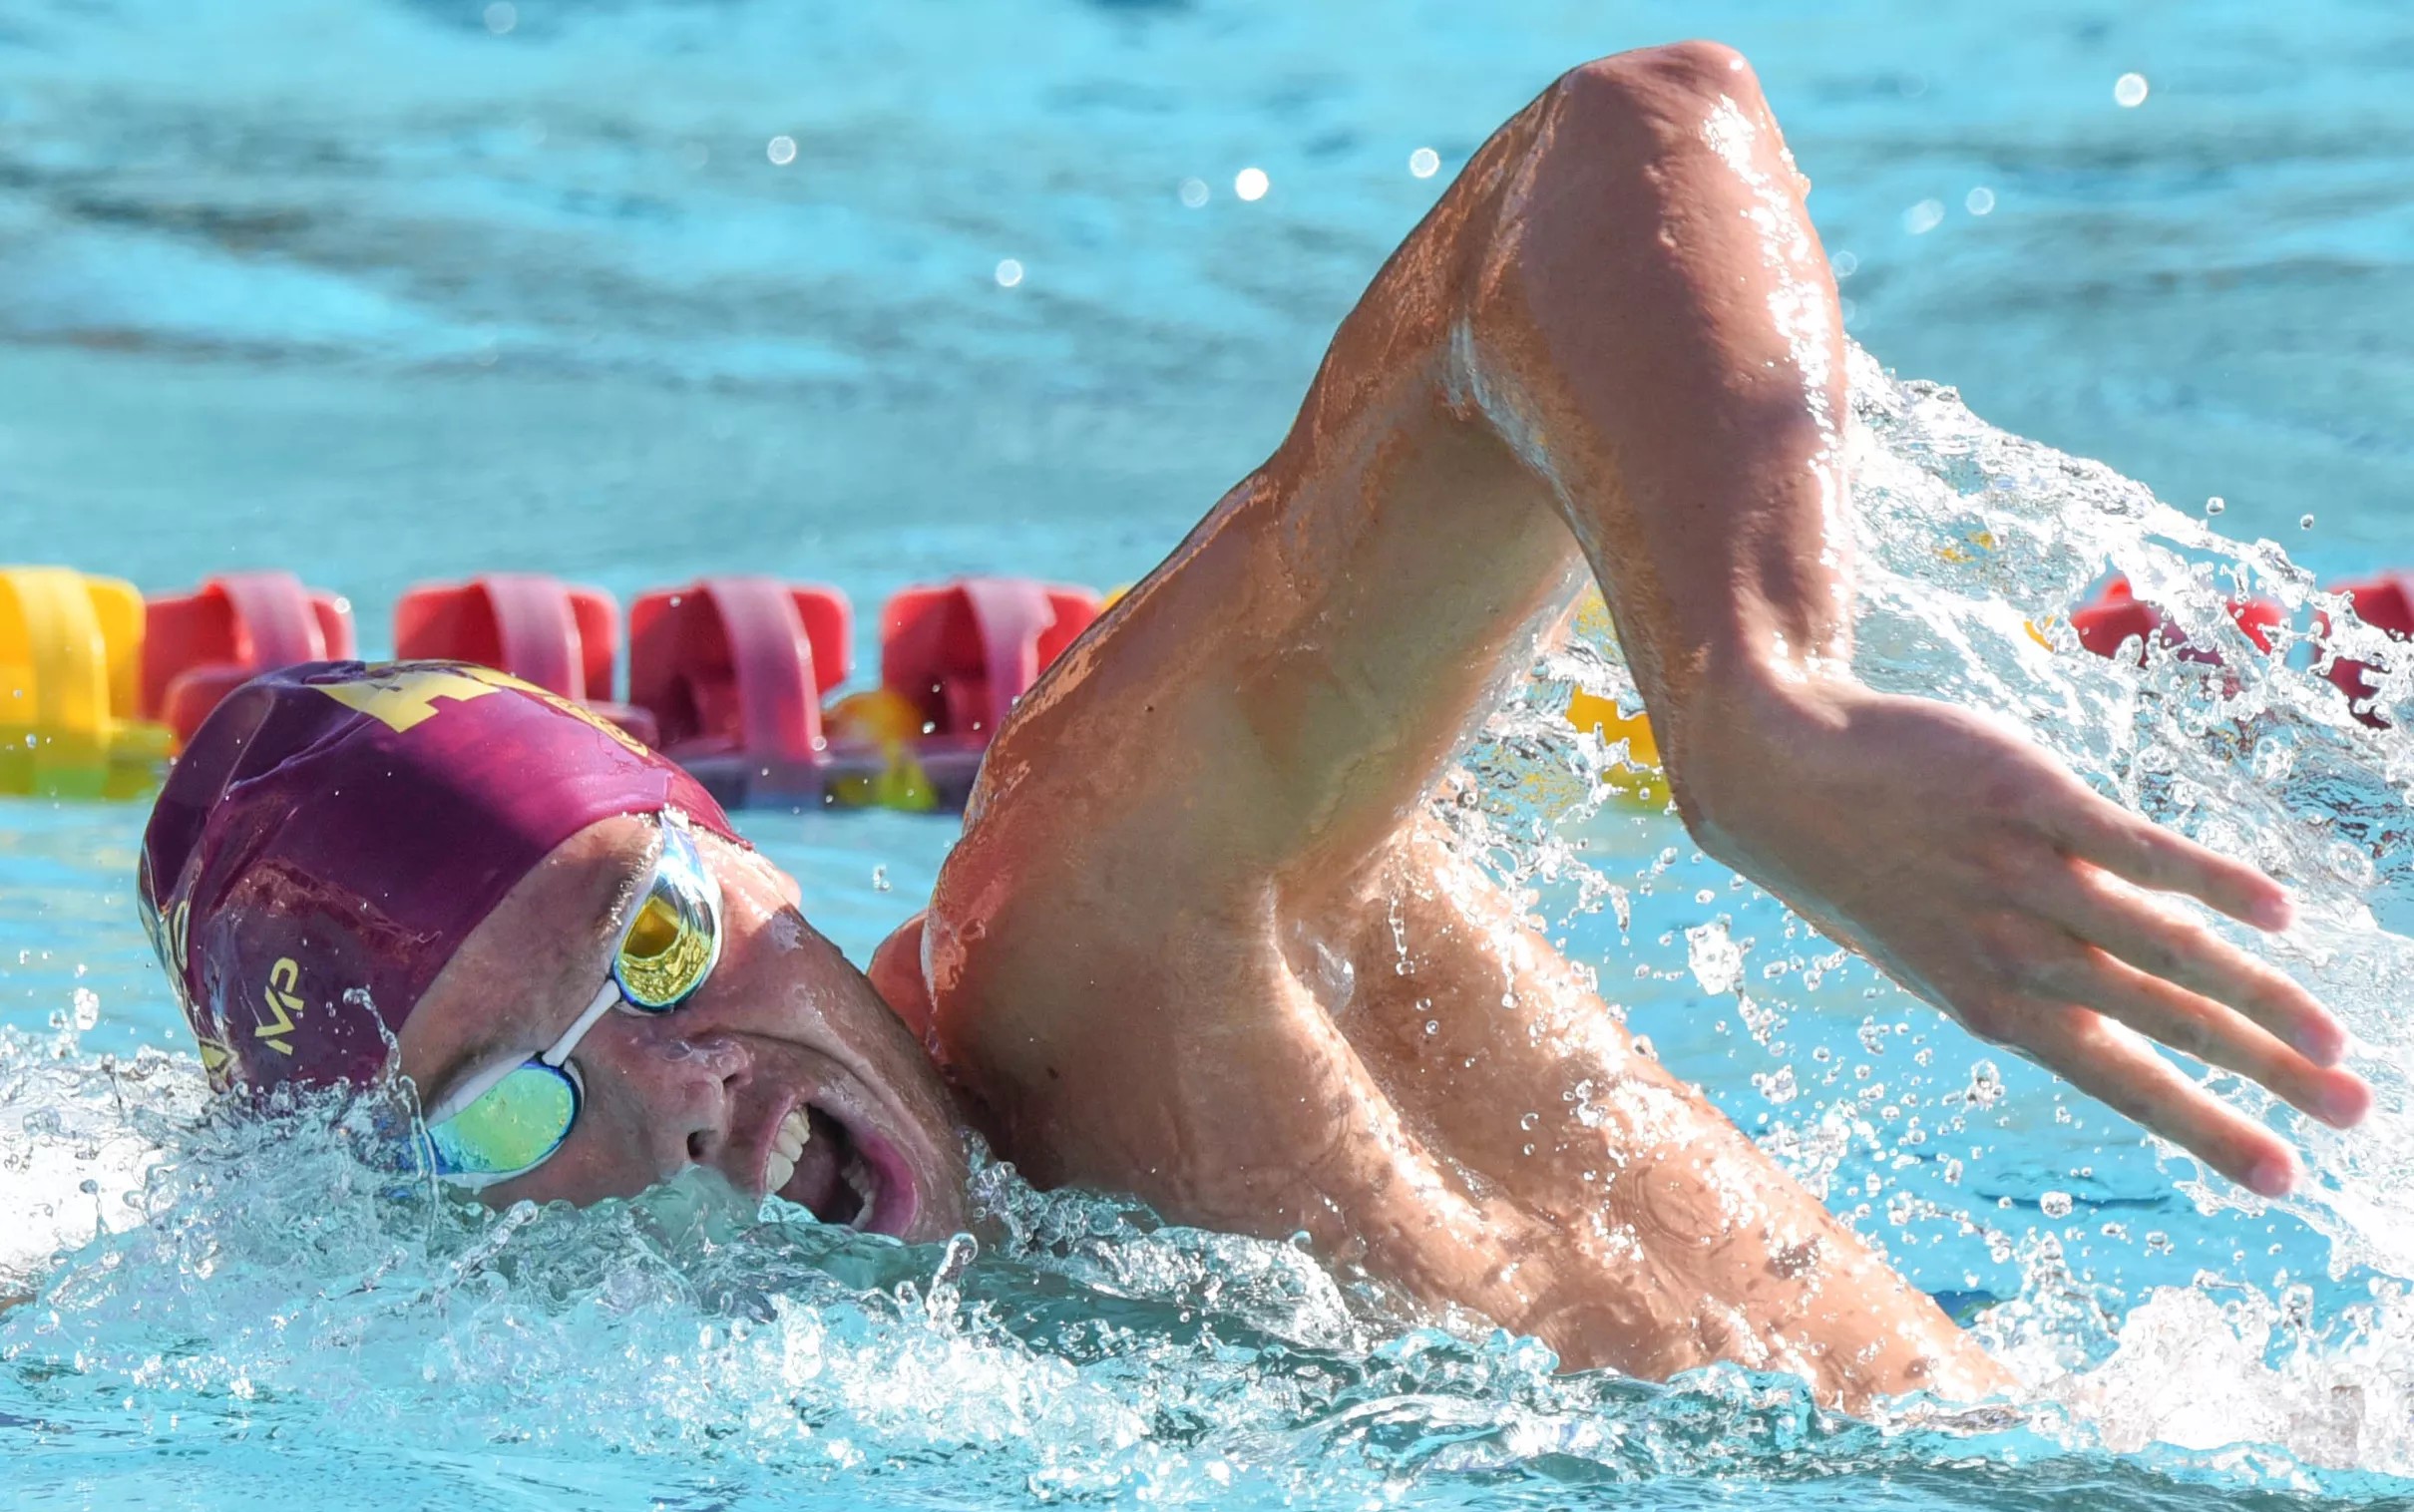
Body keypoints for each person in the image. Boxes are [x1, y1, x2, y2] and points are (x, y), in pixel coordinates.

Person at [137, 42, 2369, 1413]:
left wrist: (1756, 696)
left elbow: (1616, 143)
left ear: (752, 863)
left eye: (653, 942)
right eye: (510, 1111)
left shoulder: (1104, 916)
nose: (689, 1086)